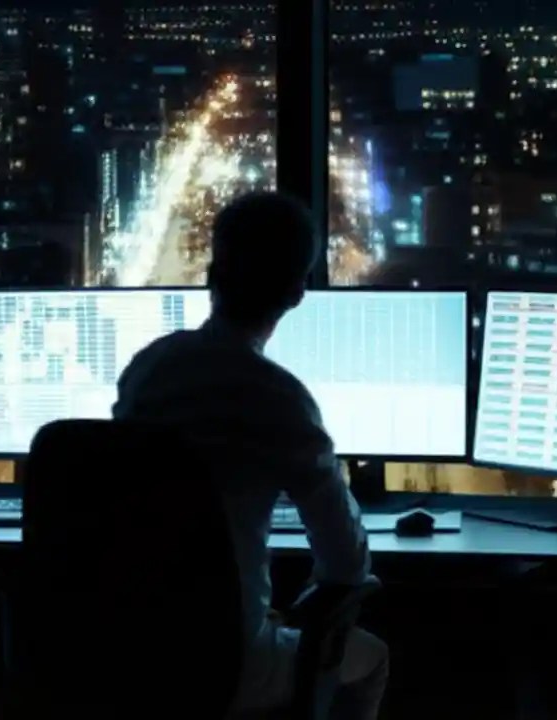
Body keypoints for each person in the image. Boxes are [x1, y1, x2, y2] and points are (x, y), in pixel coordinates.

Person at [112, 192, 389, 719]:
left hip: (128, 652)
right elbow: (347, 565)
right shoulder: (281, 399)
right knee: (371, 657)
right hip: (227, 668)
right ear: (297, 293)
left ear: (212, 273)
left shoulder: (146, 370)